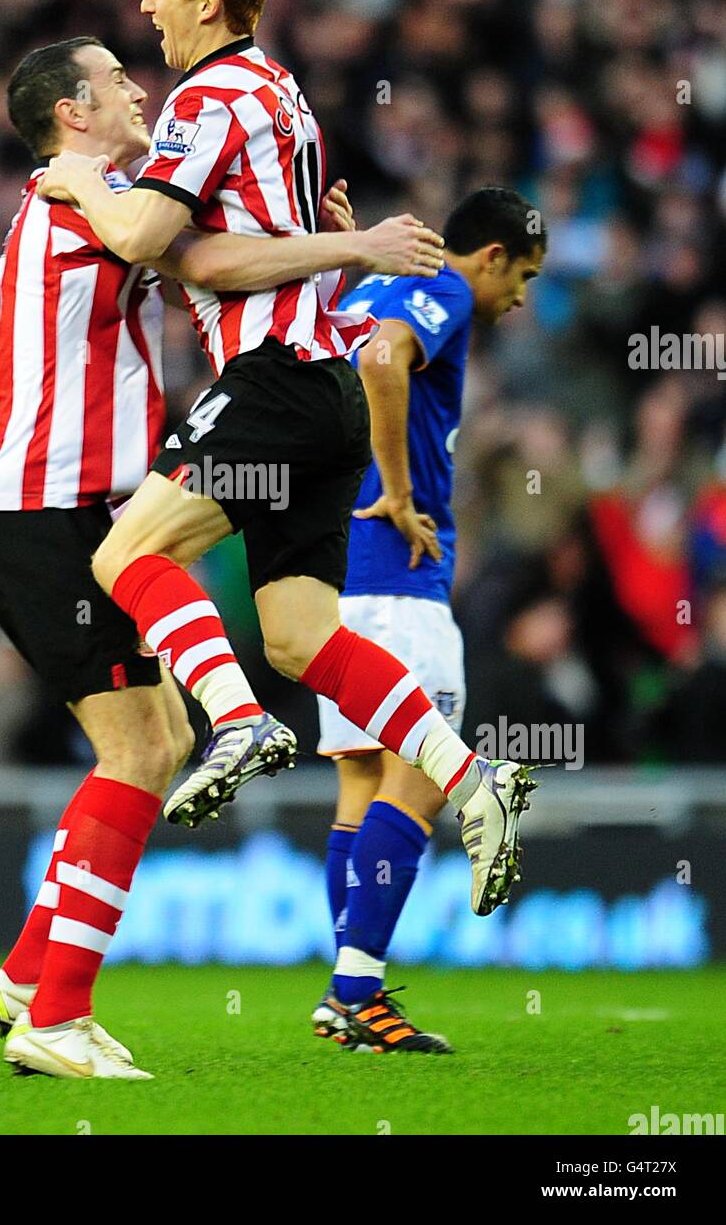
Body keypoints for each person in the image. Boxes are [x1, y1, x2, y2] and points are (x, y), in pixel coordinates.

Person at [38, 0, 535, 970]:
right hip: (329, 402)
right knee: (303, 640)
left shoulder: (209, 98)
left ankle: (234, 721)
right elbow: (218, 255)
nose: (146, 7)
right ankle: (468, 774)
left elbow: (145, 240)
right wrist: (325, 241)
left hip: (275, 384)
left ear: (209, 3)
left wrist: (77, 179)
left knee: (125, 555)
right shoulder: (281, 91)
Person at [0, 35, 441, 1079]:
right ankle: (57, 1013)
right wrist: (336, 247)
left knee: (148, 739)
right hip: (28, 502)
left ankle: (24, 977)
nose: (141, 88)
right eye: (115, 80)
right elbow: (196, 253)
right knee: (142, 747)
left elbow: (226, 264)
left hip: (62, 503)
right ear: (71, 114)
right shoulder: (85, 186)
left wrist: (320, 244)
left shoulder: (111, 188)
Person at [312, 187, 547, 1054]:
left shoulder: (370, 280)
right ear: (487, 257)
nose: (519, 295)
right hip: (400, 577)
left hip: (333, 574)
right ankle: (356, 990)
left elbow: (352, 342)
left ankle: (345, 988)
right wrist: (401, 494)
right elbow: (380, 362)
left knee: (361, 782)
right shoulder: (443, 288)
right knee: (419, 778)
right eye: (520, 276)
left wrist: (343, 244)